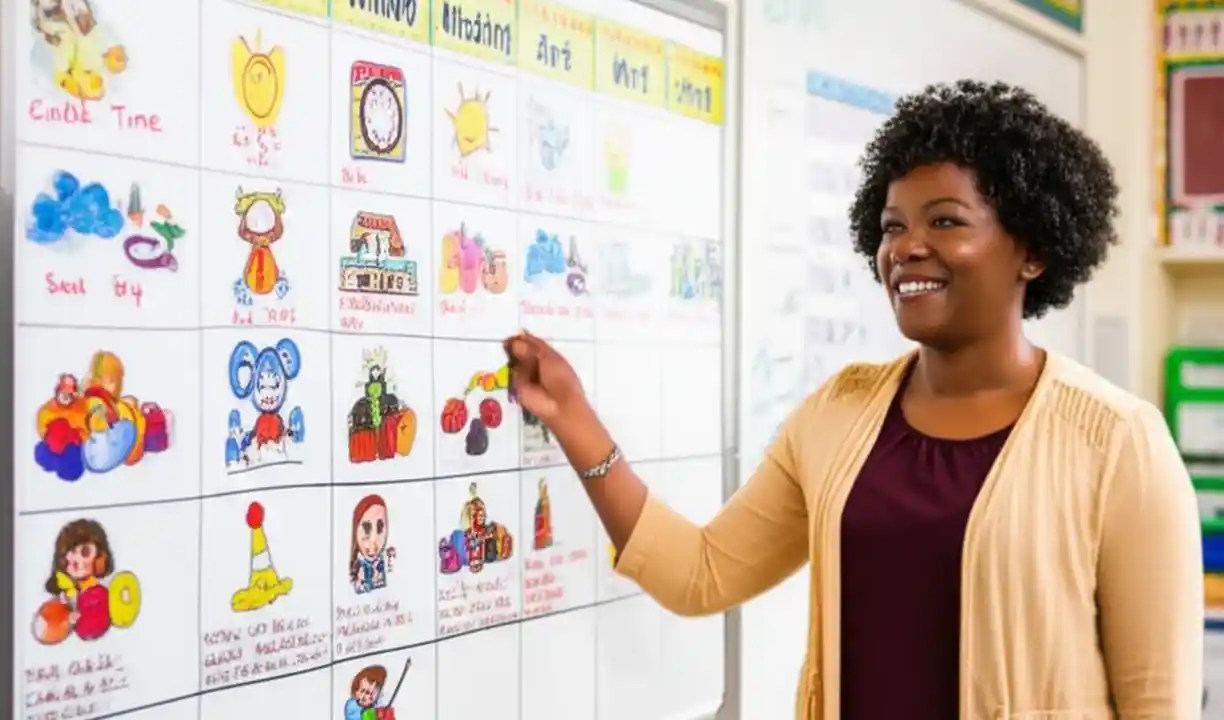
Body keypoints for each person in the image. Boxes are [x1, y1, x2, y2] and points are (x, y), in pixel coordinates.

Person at [505, 80, 1204, 719]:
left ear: (1033, 250)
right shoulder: (840, 414)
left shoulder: (1118, 443)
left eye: (947, 222)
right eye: (893, 227)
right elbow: (701, 573)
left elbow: (1158, 705)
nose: (907, 249)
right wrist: (574, 420)